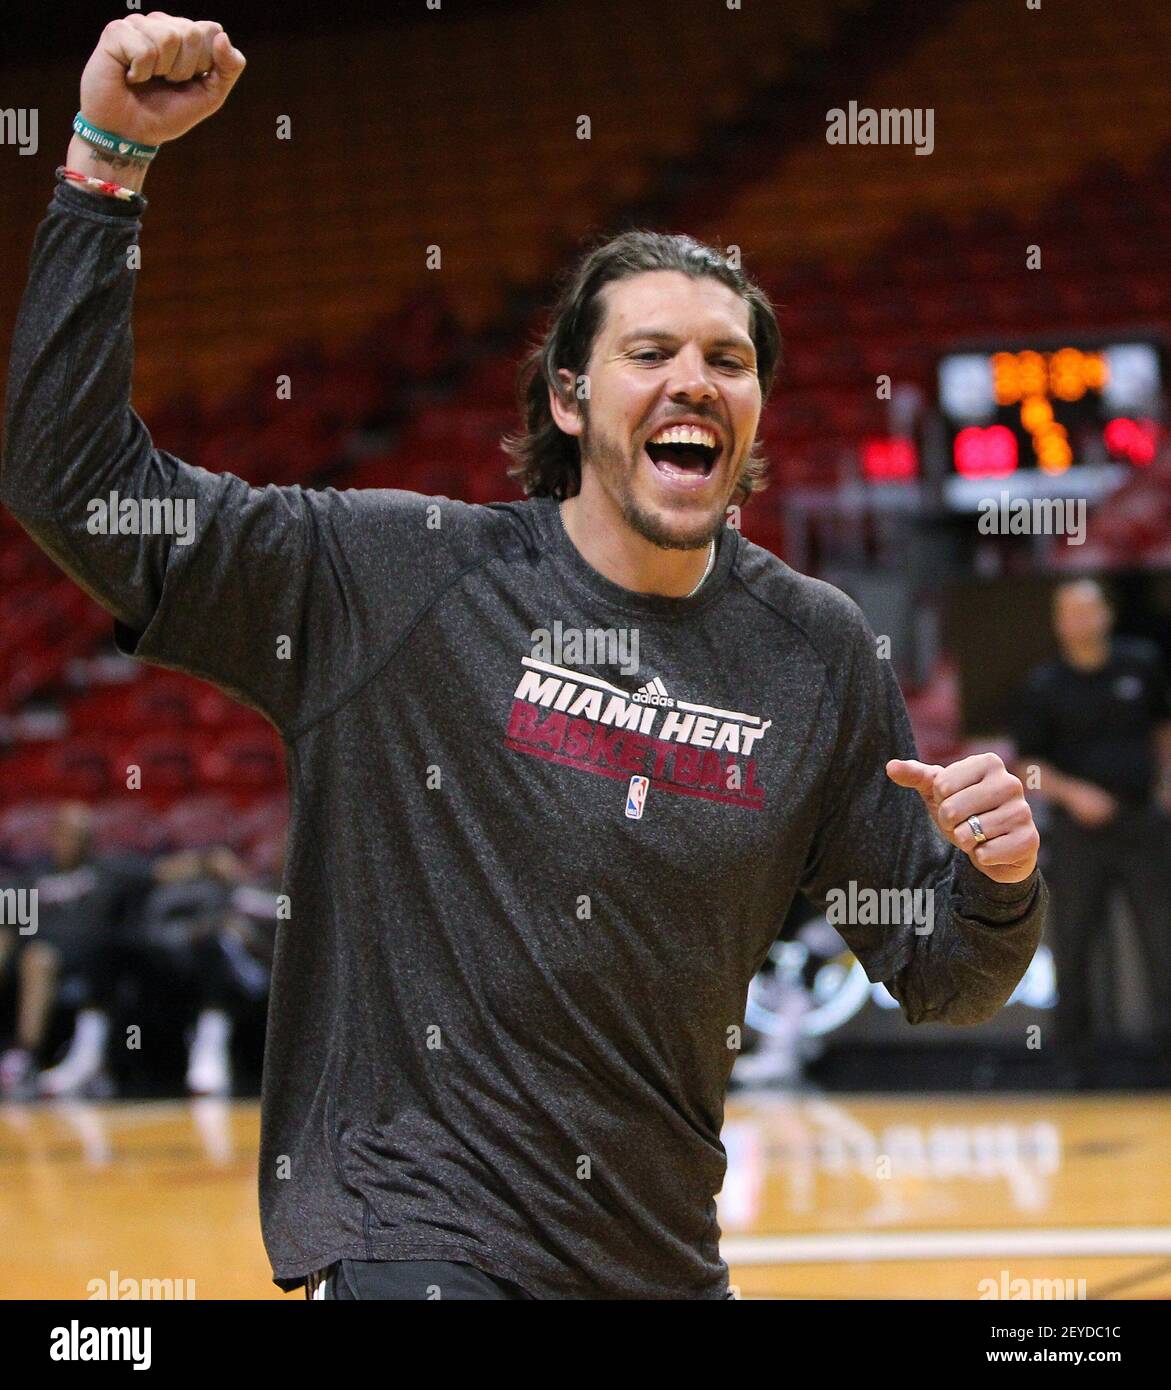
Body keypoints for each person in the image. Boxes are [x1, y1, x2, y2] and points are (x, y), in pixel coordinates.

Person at [1, 13, 1047, 1299]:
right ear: (566, 399)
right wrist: (105, 164)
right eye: (649, 353)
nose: (694, 381)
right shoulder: (396, 576)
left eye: (728, 360)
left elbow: (936, 974)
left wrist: (998, 879)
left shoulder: (817, 650)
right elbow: (76, 484)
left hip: (659, 1261)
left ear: (758, 409)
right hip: (414, 1235)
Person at [1010, 578, 1171, 1075]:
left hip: (1143, 821)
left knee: (1162, 940)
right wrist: (1072, 794)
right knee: (1075, 943)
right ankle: (1073, 1063)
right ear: (1058, 622)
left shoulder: (1141, 664)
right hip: (1078, 833)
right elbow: (1027, 767)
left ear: (1106, 614)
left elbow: (1163, 727)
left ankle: (1165, 1056)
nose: (1077, 620)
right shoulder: (1041, 686)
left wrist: (1165, 785)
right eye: (1067, 612)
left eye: (1087, 610)